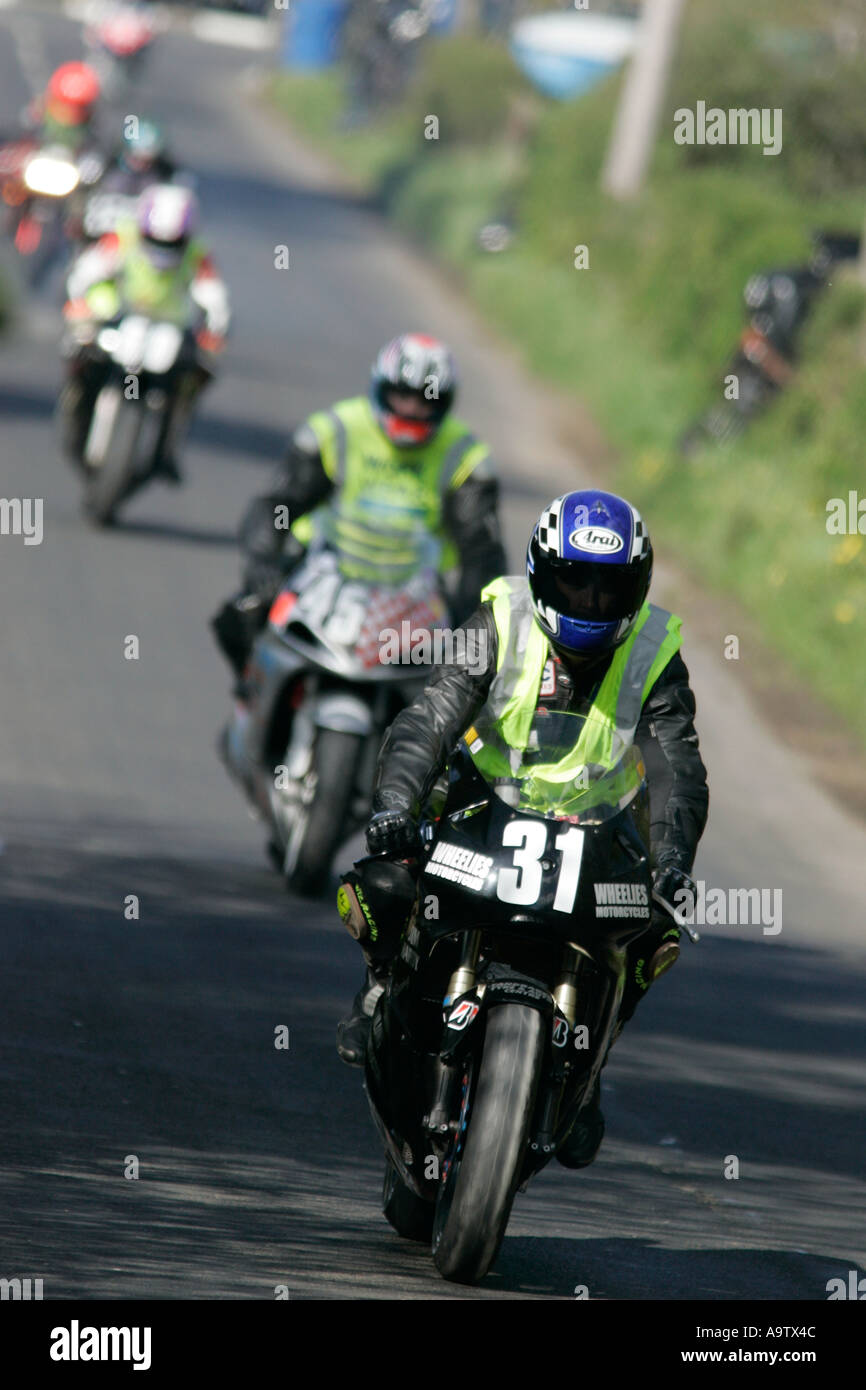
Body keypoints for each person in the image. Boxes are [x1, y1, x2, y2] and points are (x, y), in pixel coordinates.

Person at [336, 488, 709, 1169]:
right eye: (575, 579)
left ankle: (590, 1072)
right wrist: (395, 804)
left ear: (638, 586)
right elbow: (431, 717)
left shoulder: (655, 649)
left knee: (657, 931)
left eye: (608, 586)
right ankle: (381, 988)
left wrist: (674, 859)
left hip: (593, 834)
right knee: (386, 883)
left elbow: (676, 768)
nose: (590, 600)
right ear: (542, 571)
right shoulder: (502, 615)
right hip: (478, 805)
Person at [212, 332, 506, 678]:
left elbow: (481, 553)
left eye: (425, 401)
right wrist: (264, 560)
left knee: (476, 666)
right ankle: (250, 703)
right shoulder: (334, 431)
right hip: (321, 571)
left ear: (444, 403)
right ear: (381, 388)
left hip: (418, 591)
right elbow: (279, 506)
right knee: (241, 613)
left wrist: (473, 615)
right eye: (402, 396)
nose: (411, 409)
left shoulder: (465, 457)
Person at [60, 183, 230, 477]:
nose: (163, 248)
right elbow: (87, 271)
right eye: (155, 240)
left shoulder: (196, 253)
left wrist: (215, 330)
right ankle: (74, 405)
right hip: (119, 318)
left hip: (172, 329)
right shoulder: (122, 238)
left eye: (171, 242)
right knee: (81, 349)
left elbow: (215, 297)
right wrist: (79, 303)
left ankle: (169, 444)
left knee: (198, 374)